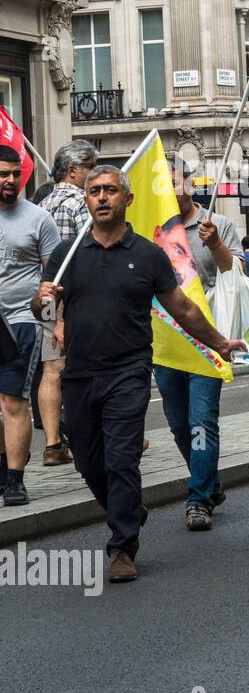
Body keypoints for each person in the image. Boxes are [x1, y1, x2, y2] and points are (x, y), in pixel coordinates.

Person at [34, 165, 245, 582]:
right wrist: (42, 300)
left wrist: (220, 342)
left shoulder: (148, 254)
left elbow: (182, 307)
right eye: (94, 190)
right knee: (89, 463)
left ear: (127, 199)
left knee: (121, 459)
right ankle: (126, 508)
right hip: (78, 375)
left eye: (111, 190)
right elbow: (44, 315)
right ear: (86, 199)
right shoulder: (66, 252)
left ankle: (122, 547)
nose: (102, 197)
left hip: (128, 373)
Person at [153, 160, 244, 531]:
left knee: (201, 420)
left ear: (189, 183)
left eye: (174, 181)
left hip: (208, 339)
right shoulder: (154, 230)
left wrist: (217, 244)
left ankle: (198, 499)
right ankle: (209, 482)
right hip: (167, 340)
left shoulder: (215, 224)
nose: (170, 188)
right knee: (178, 423)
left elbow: (237, 273)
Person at [0, 146, 61, 504]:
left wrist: (55, 327)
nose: (10, 180)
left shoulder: (39, 219)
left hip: (23, 318)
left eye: (14, 173)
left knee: (12, 401)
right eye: (3, 174)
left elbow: (53, 278)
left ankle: (15, 479)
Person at [35, 140, 97, 468]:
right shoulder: (82, 204)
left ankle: (52, 444)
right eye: (91, 168)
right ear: (73, 171)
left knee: (51, 368)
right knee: (88, 367)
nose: (95, 176)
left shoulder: (40, 205)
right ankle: (98, 433)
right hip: (77, 297)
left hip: (45, 296)